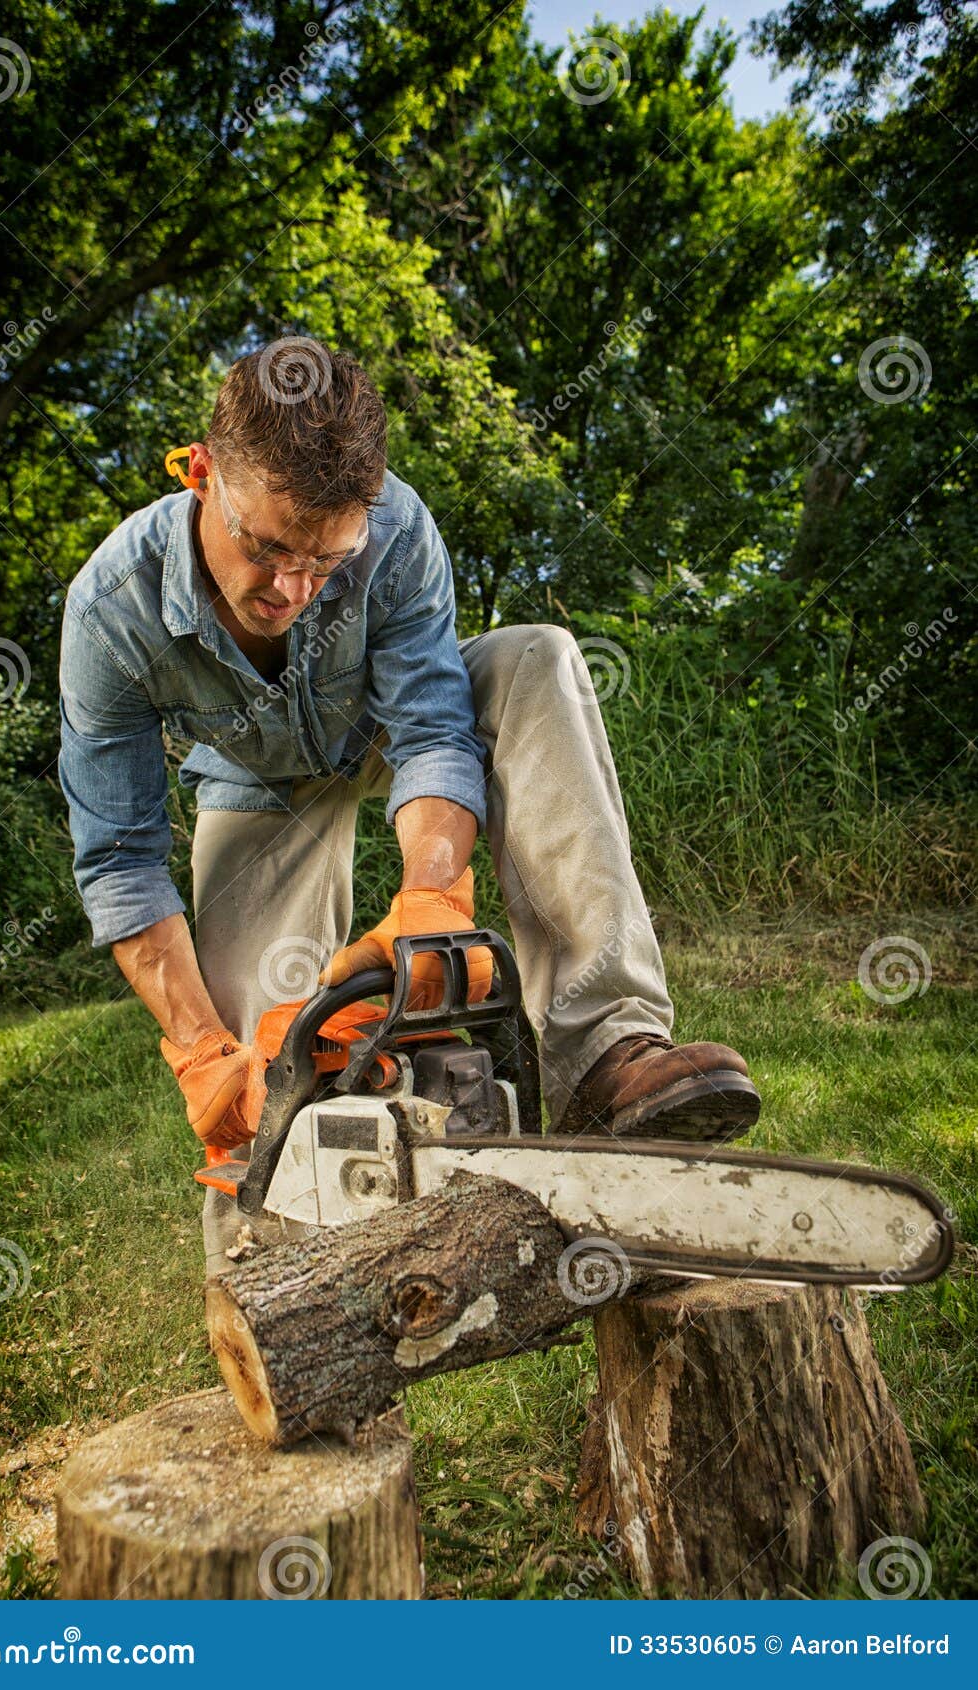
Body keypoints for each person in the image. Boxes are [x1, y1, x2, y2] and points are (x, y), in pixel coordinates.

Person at [58, 337, 758, 1273]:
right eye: (266, 548)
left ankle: (606, 1052)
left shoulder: (395, 530)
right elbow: (119, 857)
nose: (293, 589)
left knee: (536, 658)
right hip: (256, 781)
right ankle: (273, 1282)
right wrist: (196, 1047)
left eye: (325, 560)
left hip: (382, 730)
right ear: (201, 474)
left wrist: (430, 897)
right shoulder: (111, 610)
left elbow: (431, 729)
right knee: (268, 1099)